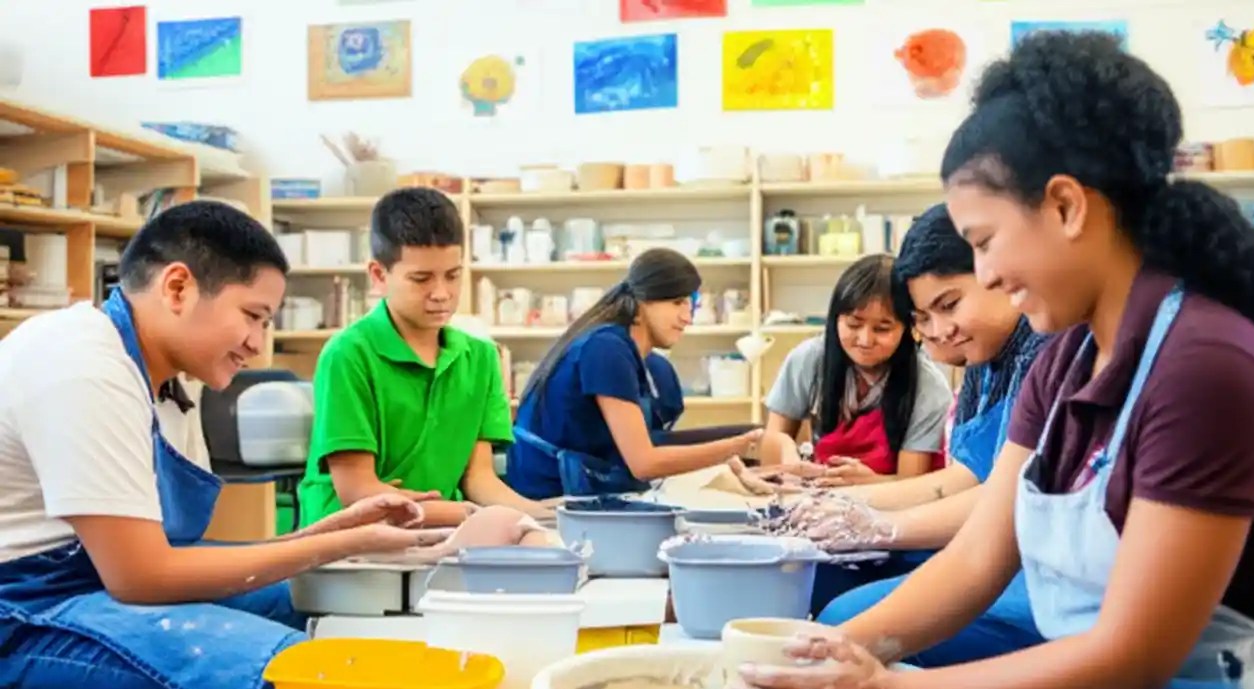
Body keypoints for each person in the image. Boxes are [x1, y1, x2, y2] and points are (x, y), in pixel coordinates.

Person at [735, 31, 1254, 689]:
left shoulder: (1206, 366)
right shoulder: (1065, 360)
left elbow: (1133, 661)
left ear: (1066, 206)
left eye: (985, 242)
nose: (987, 275)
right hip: (1089, 687)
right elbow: (976, 561)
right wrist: (824, 656)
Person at [0, 201, 541, 689]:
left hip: (98, 580)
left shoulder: (168, 380)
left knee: (317, 601)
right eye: (252, 316)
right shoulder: (84, 365)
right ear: (178, 287)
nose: (258, 345)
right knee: (297, 676)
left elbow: (162, 553)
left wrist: (324, 533)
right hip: (25, 610)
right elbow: (140, 575)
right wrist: (344, 543)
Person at [808, 204, 1049, 667]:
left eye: (950, 305)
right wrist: (838, 505)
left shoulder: (1045, 350)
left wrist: (877, 525)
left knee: (842, 616)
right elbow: (964, 478)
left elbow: (1007, 505)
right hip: (988, 540)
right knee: (820, 575)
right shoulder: (984, 359)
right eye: (923, 318)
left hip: (1031, 569)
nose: (938, 331)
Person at [298, 188, 550, 527]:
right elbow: (358, 492)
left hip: (440, 530)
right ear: (379, 276)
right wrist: (468, 515)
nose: (442, 294)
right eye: (421, 279)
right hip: (350, 540)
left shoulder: (480, 358)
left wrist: (546, 516)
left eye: (453, 275)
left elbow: (479, 479)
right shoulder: (348, 355)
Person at [505, 248, 763, 500]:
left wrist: (742, 456)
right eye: (677, 303)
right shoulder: (606, 348)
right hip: (548, 499)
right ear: (642, 301)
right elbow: (644, 463)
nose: (687, 317)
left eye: (690, 304)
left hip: (595, 489)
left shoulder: (655, 368)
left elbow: (655, 444)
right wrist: (738, 446)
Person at [756, 254, 953, 484]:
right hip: (817, 493)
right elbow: (771, 450)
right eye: (854, 324)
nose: (865, 340)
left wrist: (868, 483)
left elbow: (913, 485)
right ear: (835, 319)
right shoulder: (808, 359)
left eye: (882, 329)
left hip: (889, 500)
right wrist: (786, 454)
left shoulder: (928, 387)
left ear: (909, 329)